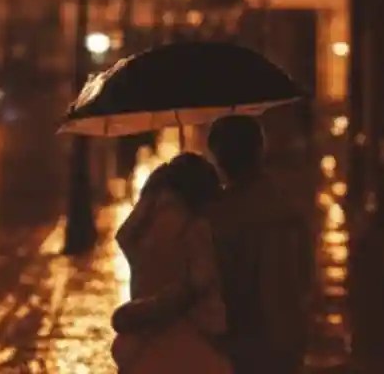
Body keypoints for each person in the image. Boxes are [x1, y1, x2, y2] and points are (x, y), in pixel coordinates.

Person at [207, 115, 313, 373]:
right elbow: (306, 275)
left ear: (219, 160)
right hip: (286, 346)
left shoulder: (216, 216)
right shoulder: (287, 206)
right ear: (259, 150)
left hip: (241, 348)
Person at [111, 153, 232, 374]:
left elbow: (124, 236)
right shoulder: (196, 227)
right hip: (185, 343)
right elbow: (200, 280)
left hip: (140, 344)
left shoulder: (145, 225)